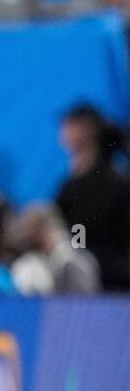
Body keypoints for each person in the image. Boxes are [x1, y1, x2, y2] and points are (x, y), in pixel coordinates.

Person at [55, 103, 130, 291]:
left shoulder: (108, 182)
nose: (63, 134)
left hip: (108, 278)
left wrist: (77, 250)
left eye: (69, 126)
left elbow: (80, 228)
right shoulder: (72, 185)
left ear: (87, 129)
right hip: (91, 271)